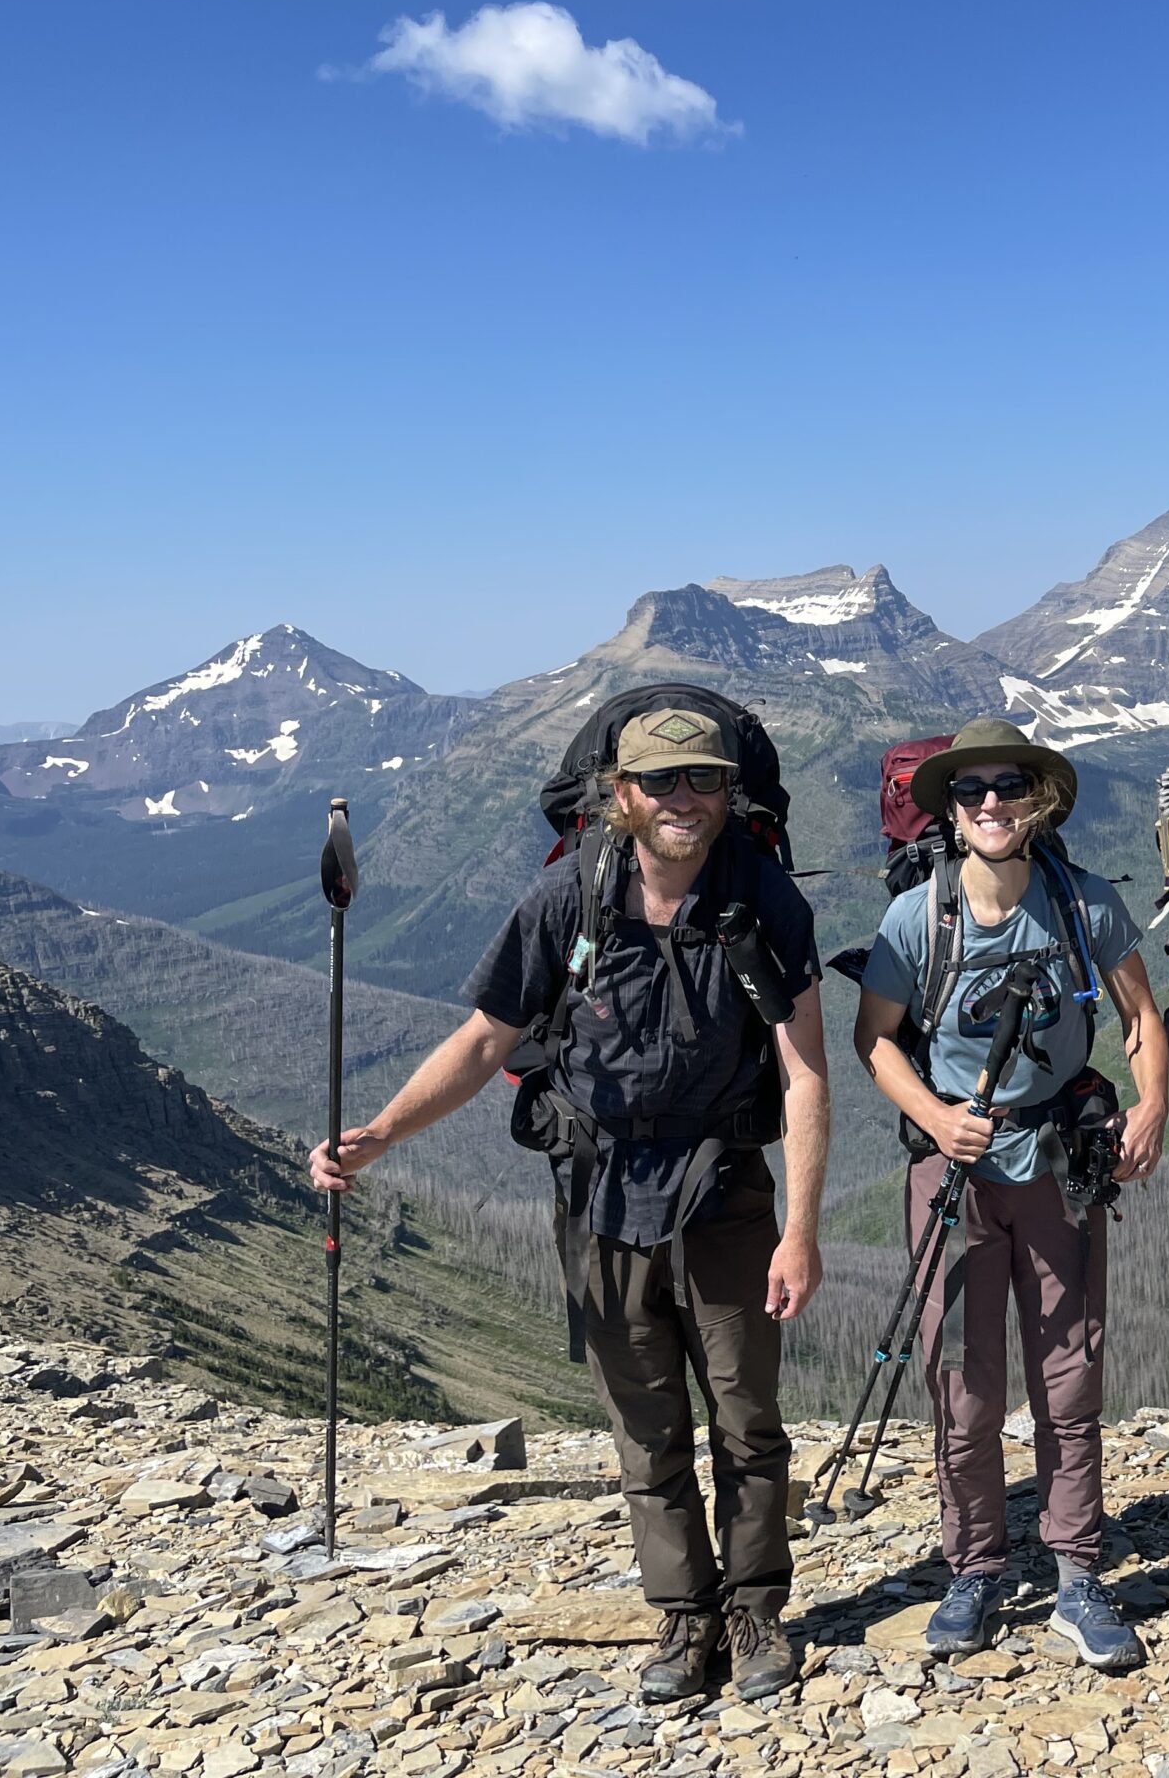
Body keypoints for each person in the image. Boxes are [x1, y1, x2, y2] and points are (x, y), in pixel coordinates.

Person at [310, 706, 830, 1703]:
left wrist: (800, 1232)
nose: (685, 800)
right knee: (644, 1423)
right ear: (621, 795)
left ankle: (754, 1612)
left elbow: (803, 1074)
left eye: (705, 781)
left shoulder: (760, 898)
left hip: (723, 1190)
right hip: (597, 1194)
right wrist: (380, 1133)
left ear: (731, 792)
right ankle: (685, 1616)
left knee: (746, 1413)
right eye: (661, 782)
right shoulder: (569, 898)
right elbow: (481, 1043)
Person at [853, 716, 1169, 1671]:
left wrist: (1153, 1102)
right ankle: (976, 1567)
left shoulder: (1083, 903)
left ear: (1036, 801)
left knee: (1068, 1371)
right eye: (969, 790)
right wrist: (938, 1118)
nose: (989, 804)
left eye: (1008, 787)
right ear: (947, 810)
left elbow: (1141, 1014)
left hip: (1057, 1163)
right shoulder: (919, 918)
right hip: (955, 1168)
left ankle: (1075, 1569)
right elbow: (874, 1039)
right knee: (964, 1379)